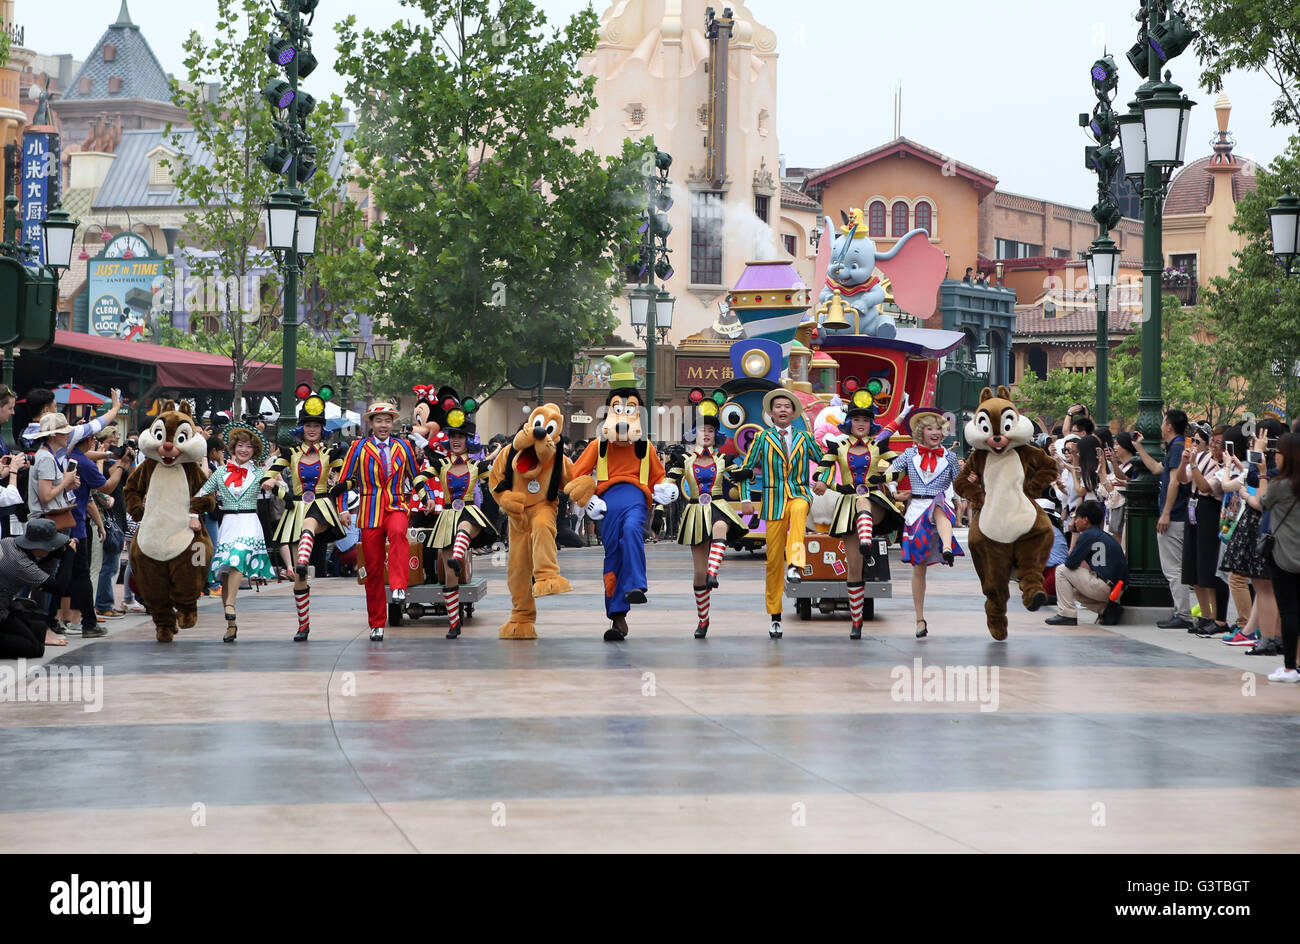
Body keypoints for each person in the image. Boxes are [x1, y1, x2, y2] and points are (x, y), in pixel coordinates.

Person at [736, 389, 824, 639]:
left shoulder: (805, 438)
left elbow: (826, 460)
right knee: (773, 561)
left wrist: (822, 480)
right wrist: (745, 498)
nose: (783, 410)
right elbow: (745, 470)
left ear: (793, 412)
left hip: (798, 493)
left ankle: (795, 565)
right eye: (778, 407)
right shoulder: (762, 438)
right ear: (771, 413)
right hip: (773, 502)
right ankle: (775, 616)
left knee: (798, 512)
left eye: (787, 406)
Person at [817, 393, 905, 639]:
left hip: (874, 500)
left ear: (871, 423)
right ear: (849, 422)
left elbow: (898, 470)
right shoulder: (837, 446)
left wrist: (882, 478)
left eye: (865, 419)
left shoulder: (880, 445)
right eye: (856, 418)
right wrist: (829, 486)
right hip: (847, 505)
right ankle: (856, 622)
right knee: (854, 567)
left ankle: (867, 540)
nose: (861, 423)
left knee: (864, 501)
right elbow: (821, 473)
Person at [416, 391, 497, 640]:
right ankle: (454, 622)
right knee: (450, 574)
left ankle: (458, 556)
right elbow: (419, 478)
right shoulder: (440, 464)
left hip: (470, 512)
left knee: (464, 530)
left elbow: (498, 479)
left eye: (461, 436)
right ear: (448, 439)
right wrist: (426, 497)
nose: (457, 440)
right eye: (453, 436)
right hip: (447, 515)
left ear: (468, 439)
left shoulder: (477, 466)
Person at [339, 401, 421, 641]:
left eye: (387, 420)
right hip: (369, 510)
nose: (383, 425)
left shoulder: (403, 446)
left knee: (398, 533)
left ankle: (398, 586)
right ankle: (376, 623)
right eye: (378, 420)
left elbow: (415, 477)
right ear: (371, 423)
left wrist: (425, 496)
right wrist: (343, 508)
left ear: (392, 423)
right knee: (373, 570)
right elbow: (344, 480)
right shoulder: (358, 448)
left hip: (396, 505)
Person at [666, 400, 748, 639]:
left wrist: (745, 491)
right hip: (694, 511)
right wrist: (660, 509)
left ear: (716, 435)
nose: (707, 434)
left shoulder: (724, 459)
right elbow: (668, 484)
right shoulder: (684, 460)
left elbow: (741, 477)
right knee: (698, 572)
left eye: (711, 431)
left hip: (717, 505)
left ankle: (714, 573)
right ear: (695, 435)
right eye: (703, 430)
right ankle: (703, 620)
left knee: (721, 526)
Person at [268, 399, 347, 642]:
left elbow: (347, 479)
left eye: (316, 425)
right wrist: (285, 495)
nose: (312, 429)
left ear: (322, 429)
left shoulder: (331, 453)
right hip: (296, 510)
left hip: (321, 506)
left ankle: (302, 561)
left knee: (309, 526)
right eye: (307, 425)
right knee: (301, 578)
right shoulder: (288, 453)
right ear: (301, 428)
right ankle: (304, 625)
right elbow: (267, 479)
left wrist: (342, 504)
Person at [195, 423, 278, 642]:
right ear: (232, 447)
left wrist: (274, 484)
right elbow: (201, 494)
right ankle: (231, 624)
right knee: (225, 571)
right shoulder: (221, 472)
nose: (244, 450)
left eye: (249, 447)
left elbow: (281, 488)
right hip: (228, 523)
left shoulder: (260, 472)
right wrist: (193, 516)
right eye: (240, 445)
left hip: (250, 521)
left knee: (238, 555)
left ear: (255, 450)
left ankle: (230, 604)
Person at [889, 407, 963, 638]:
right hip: (917, 511)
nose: (935, 432)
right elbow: (891, 471)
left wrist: (962, 493)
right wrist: (893, 491)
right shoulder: (910, 455)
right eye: (930, 428)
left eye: (938, 428)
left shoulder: (950, 457)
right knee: (918, 569)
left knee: (939, 507)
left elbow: (958, 485)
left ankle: (948, 548)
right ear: (921, 432)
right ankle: (919, 619)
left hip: (939, 504)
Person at [1131, 410, 1193, 629]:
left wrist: (1166, 512)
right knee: (1176, 567)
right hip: (1177, 514)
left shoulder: (1177, 447)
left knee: (1173, 568)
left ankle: (1183, 614)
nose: (1160, 426)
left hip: (1175, 515)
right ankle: (1182, 612)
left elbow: (1175, 481)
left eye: (1163, 422)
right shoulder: (1176, 447)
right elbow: (1159, 469)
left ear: (1169, 426)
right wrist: (1139, 448)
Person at [66, 435, 131, 638]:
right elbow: (107, 487)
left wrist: (111, 453)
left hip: (68, 521)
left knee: (70, 574)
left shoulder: (69, 454)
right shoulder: (86, 463)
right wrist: (123, 464)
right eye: (93, 438)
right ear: (87, 441)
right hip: (77, 525)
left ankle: (64, 619)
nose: (95, 442)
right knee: (82, 575)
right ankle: (85, 621)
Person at [1256, 433, 1300, 682]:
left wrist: (1262, 471)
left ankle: (1289, 668)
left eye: (1279, 453)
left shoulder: (1280, 485)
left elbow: (1263, 502)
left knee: (1289, 611)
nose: (1277, 457)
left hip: (1282, 555)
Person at [1177, 424, 1227, 636]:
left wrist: (1194, 465)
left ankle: (1216, 616)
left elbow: (1206, 487)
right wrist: (1184, 462)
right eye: (1213, 443)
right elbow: (1182, 479)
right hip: (1193, 507)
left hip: (1210, 510)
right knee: (1193, 563)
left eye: (1217, 443)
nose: (1214, 448)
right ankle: (1204, 614)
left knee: (1207, 563)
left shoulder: (1224, 466)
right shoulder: (1203, 459)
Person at [1044, 500, 1128, 626]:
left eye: (1077, 518)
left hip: (1105, 587)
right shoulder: (1105, 536)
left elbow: (1070, 564)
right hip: (1117, 589)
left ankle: (1066, 614)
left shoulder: (1087, 534)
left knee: (1061, 570)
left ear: (1085, 520)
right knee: (1077, 593)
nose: (1075, 521)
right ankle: (1108, 610)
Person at [0, 519, 71, 658]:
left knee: (37, 631)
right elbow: (59, 588)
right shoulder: (21, 565)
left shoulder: (8, 542)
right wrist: (70, 554)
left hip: (5, 607)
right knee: (34, 649)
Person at [20, 387, 122, 456]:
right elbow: (96, 425)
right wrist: (115, 408)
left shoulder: (24, 434)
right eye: (55, 406)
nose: (57, 411)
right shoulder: (57, 435)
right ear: (46, 411)